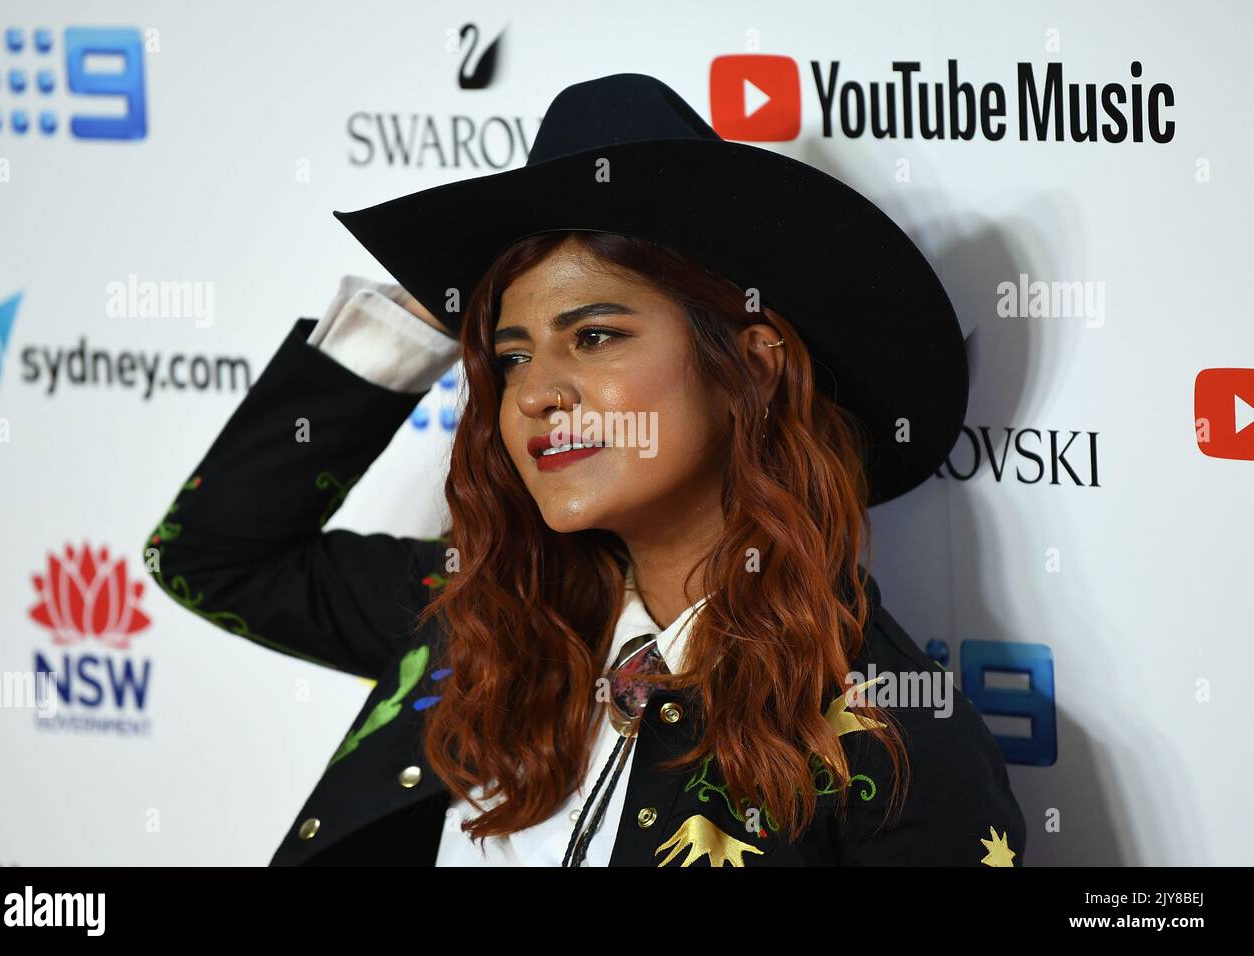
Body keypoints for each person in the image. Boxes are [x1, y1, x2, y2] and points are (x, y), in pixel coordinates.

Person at [145, 73, 1026, 867]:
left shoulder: (893, 734)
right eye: (512, 356)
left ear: (754, 365)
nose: (532, 396)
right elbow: (214, 556)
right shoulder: (480, 619)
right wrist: (433, 299)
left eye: (595, 336)